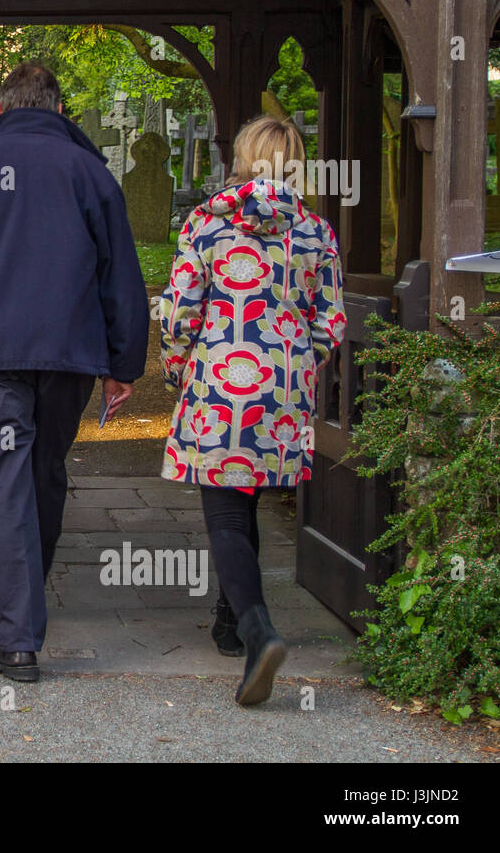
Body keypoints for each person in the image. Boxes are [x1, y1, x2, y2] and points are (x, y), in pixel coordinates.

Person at [0, 62, 149, 683]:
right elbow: (119, 273)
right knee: (43, 472)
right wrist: (123, 365)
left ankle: (17, 636)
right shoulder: (90, 172)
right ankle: (24, 600)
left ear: (0, 109)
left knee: (3, 480)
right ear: (60, 112)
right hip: (68, 353)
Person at [159, 114, 345, 705]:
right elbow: (331, 317)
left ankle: (259, 628)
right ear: (296, 163)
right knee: (248, 504)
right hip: (282, 387)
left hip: (219, 381)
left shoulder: (207, 224)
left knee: (225, 514)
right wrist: (298, 360)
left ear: (241, 156)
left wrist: (176, 364)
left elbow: (180, 309)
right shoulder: (315, 231)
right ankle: (231, 622)